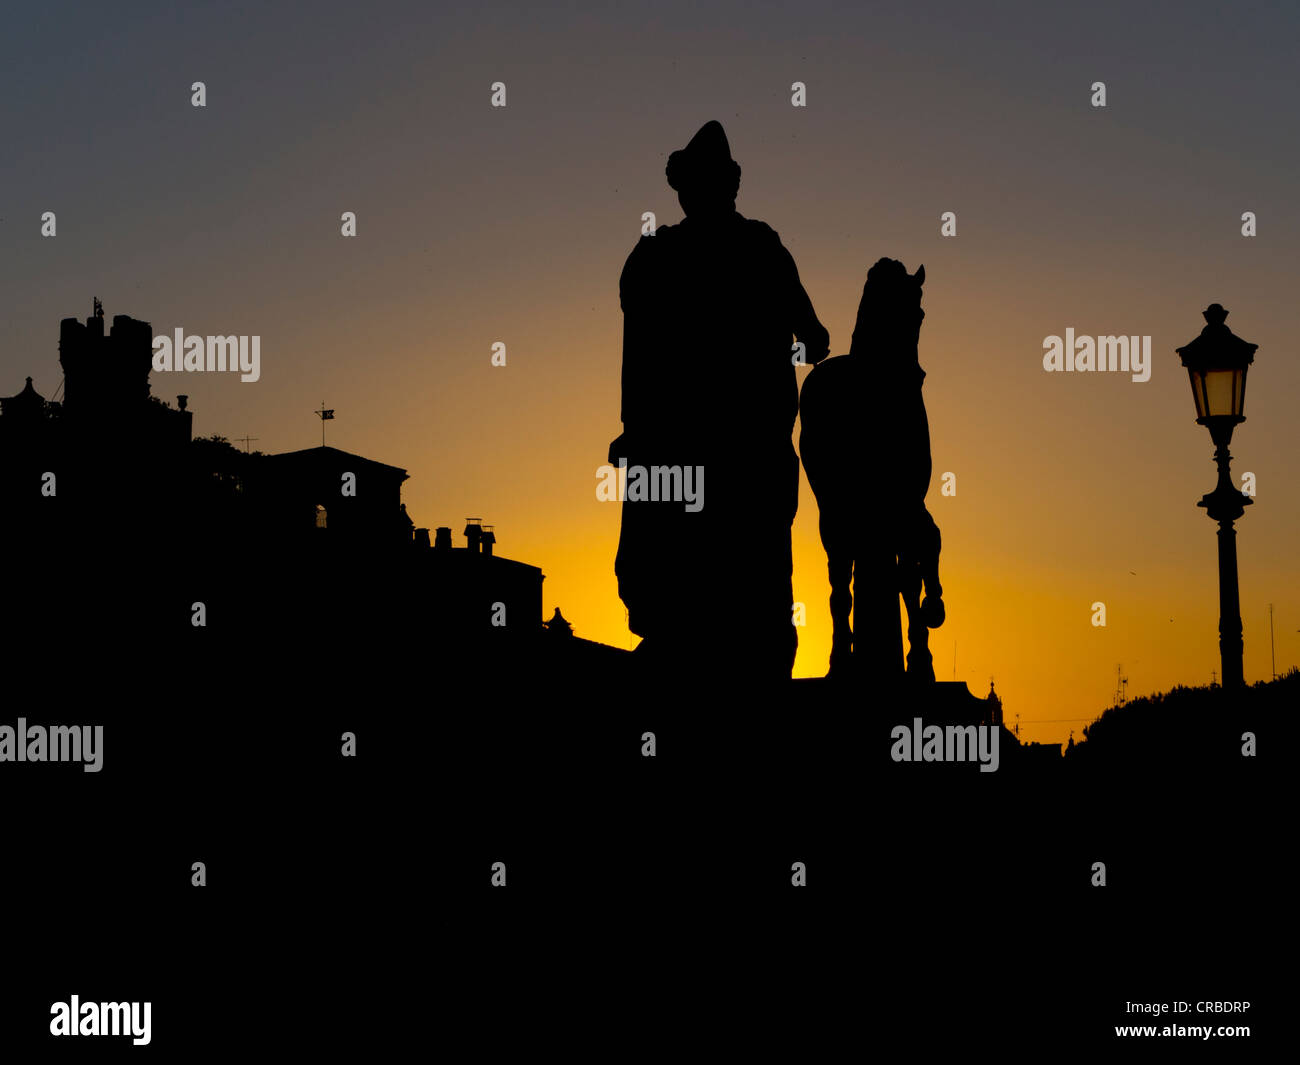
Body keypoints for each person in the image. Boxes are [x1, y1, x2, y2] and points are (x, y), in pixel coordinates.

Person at [611, 120, 830, 682]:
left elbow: (636, 361)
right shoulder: (761, 248)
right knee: (756, 614)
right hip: (750, 462)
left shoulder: (656, 257)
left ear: (687, 192)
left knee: (680, 619)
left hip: (680, 458)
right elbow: (815, 343)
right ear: (729, 187)